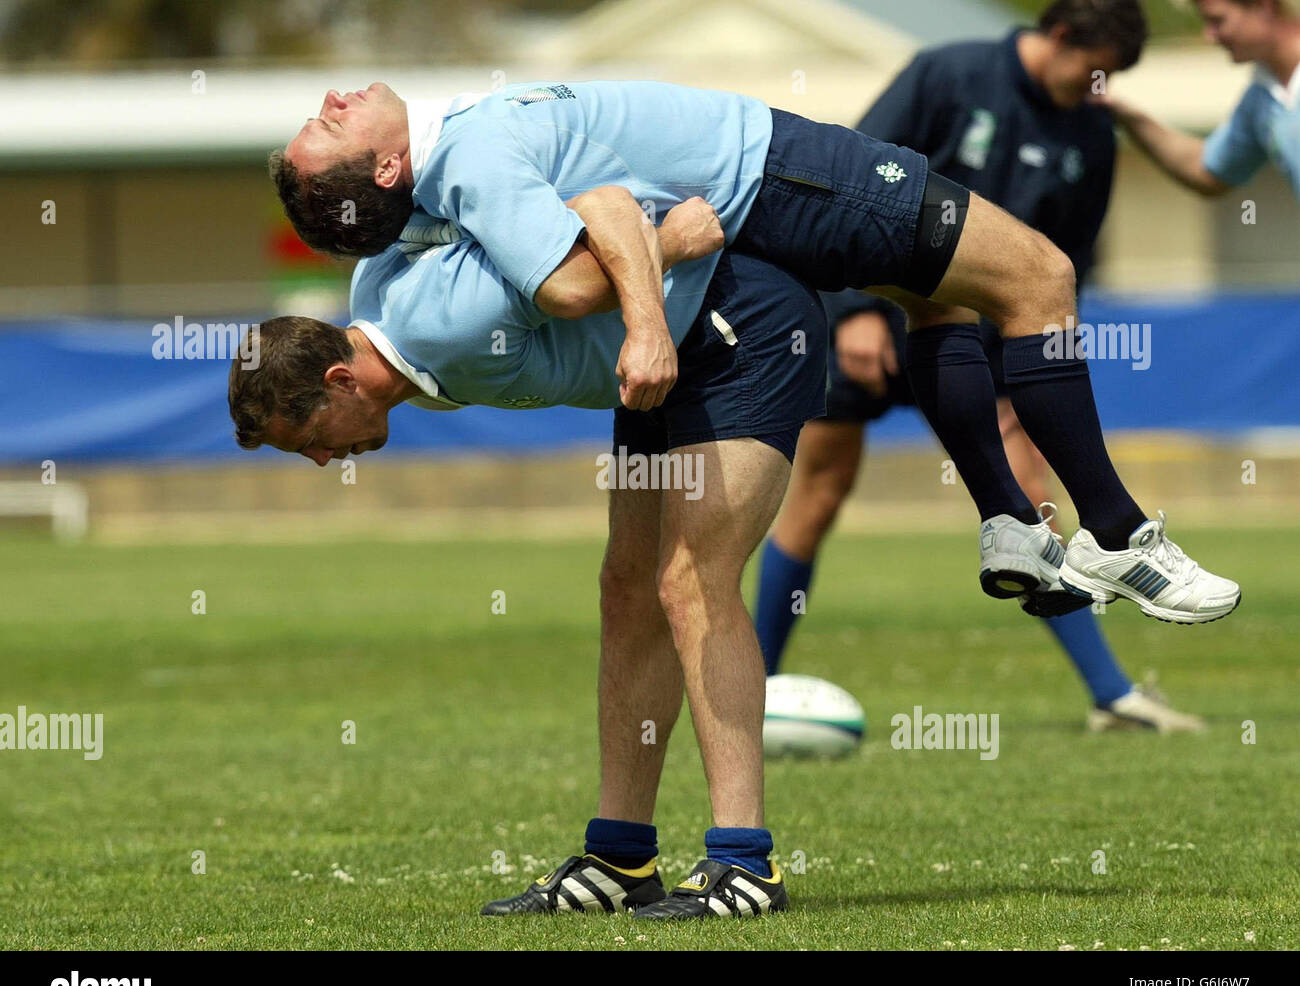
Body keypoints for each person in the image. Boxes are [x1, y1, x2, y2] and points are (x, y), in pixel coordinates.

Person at [272, 76, 1240, 628]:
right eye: (331, 122)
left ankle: (1007, 524)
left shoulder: (417, 219)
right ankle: (1116, 535)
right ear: (387, 165)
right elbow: (569, 281)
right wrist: (663, 267)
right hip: (768, 171)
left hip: (750, 202)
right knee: (1040, 278)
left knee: (934, 299)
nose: (334, 95)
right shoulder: (467, 165)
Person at [232, 189, 830, 918]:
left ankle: (744, 864)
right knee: (628, 584)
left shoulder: (440, 323)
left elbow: (596, 215)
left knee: (692, 579)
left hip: (737, 323)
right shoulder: (386, 302)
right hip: (654, 363)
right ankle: (620, 856)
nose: (326, 459)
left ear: (338, 380)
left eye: (312, 441)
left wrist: (668, 241)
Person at [757, 0, 1206, 732]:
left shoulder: (1090, 129)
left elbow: (1067, 269)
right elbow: (845, 185)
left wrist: (1030, 379)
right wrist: (857, 314)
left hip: (986, 349)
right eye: (1095, 70)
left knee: (1031, 495)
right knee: (818, 491)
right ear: (1061, 36)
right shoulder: (948, 74)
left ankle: (1111, 694)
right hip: (871, 322)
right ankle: (757, 688)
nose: (1099, 88)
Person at [1099, 0, 1300, 199]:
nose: (1210, 36)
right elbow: (1205, 169)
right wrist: (1123, 112)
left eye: (1217, 20)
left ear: (1263, 6)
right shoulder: (1261, 99)